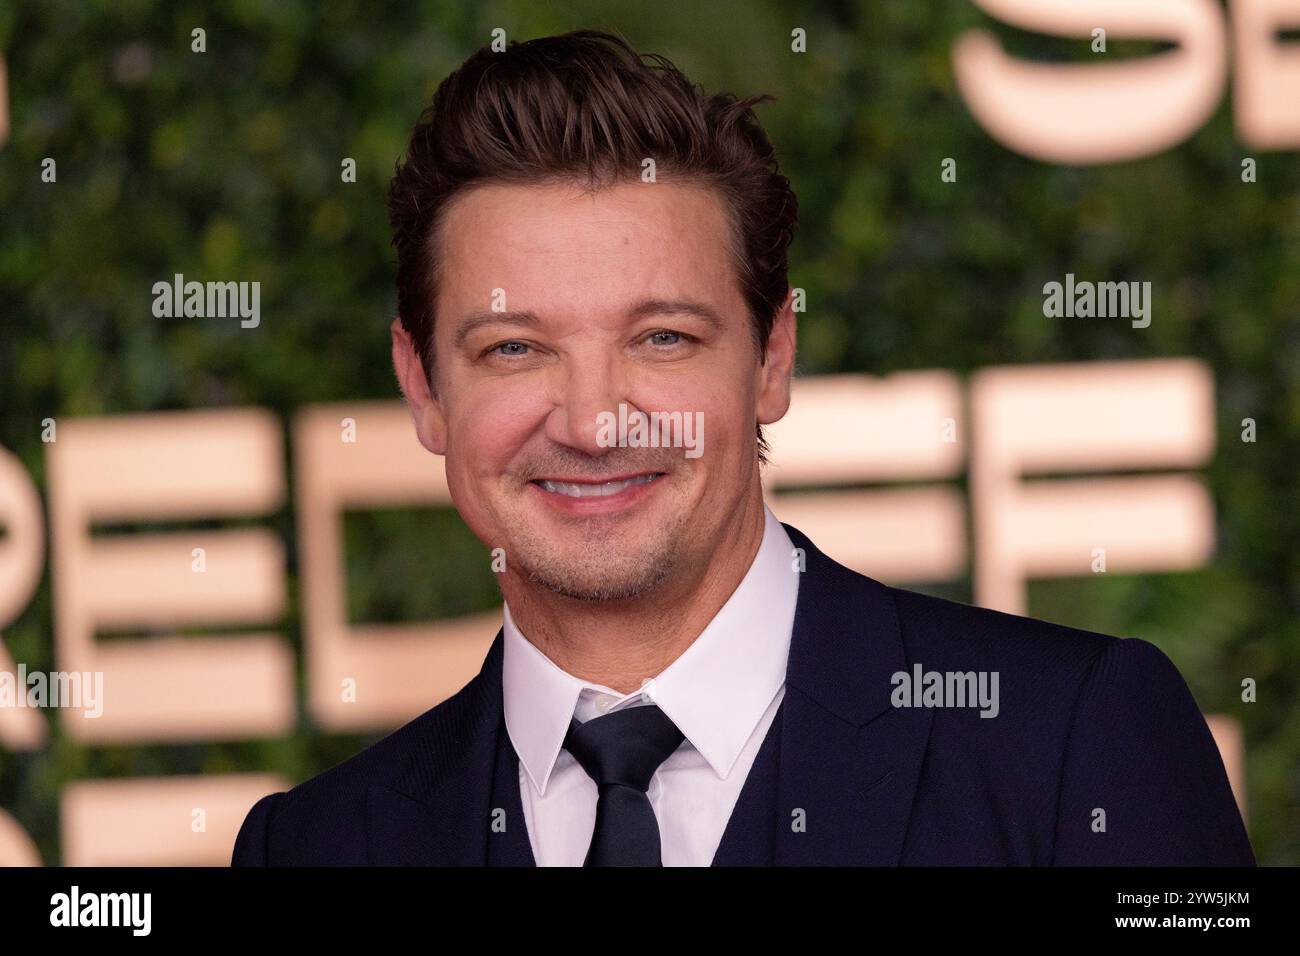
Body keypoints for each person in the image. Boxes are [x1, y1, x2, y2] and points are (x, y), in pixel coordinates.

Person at [231, 29, 1254, 866]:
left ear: (771, 357)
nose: (594, 423)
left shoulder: (1071, 746)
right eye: (513, 347)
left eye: (661, 337)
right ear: (423, 387)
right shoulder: (318, 844)